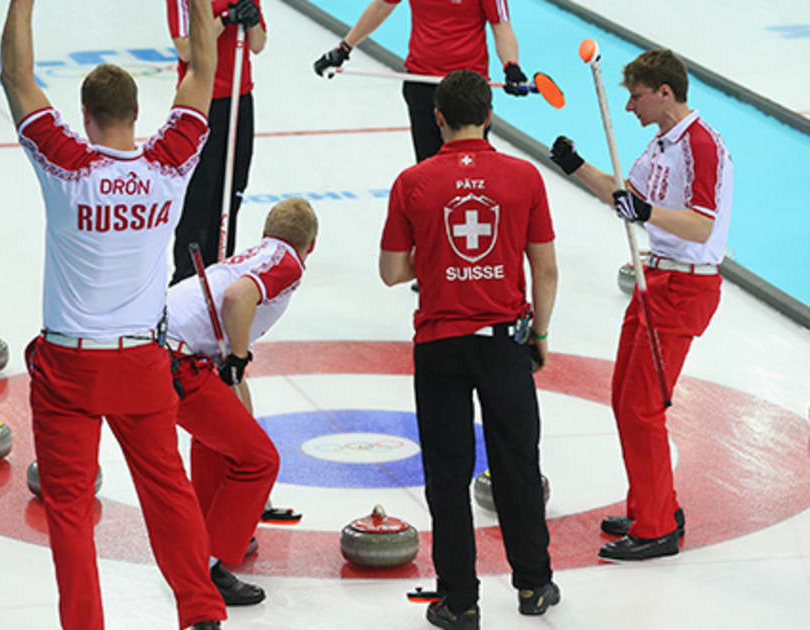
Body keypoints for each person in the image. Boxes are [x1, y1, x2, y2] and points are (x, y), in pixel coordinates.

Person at [0, 1, 227, 628]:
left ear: (85, 116)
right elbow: (203, 71)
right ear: (136, 115)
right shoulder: (169, 166)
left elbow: (16, 79)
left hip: (70, 364)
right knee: (168, 491)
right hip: (141, 363)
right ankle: (201, 611)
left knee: (69, 510)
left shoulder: (66, 167)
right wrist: (203, 9)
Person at [379, 70, 559, 629]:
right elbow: (545, 267)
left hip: (440, 346)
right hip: (504, 342)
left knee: (448, 475)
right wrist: (542, 335)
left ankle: (460, 601)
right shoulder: (523, 177)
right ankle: (533, 586)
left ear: (437, 118)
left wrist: (433, 259)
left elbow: (391, 272)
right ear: (489, 115)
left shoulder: (413, 181)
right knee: (517, 466)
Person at [549, 48, 732, 562]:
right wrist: (576, 165)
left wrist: (648, 210)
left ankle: (656, 528)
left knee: (642, 406)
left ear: (665, 93)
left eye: (636, 96)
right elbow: (625, 196)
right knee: (624, 398)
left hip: (684, 286)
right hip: (657, 277)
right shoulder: (660, 148)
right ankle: (653, 504)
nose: (629, 107)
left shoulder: (700, 145)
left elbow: (701, 223)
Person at [166, 197, 317, 606]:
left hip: (162, 346)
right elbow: (237, 298)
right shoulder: (287, 264)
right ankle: (209, 565)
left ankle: (206, 538)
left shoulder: (250, 256)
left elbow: (234, 377)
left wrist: (234, 363)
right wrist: (236, 355)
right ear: (311, 245)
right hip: (177, 361)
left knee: (220, 441)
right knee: (260, 460)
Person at [313, 0, 530, 163]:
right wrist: (345, 48)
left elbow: (501, 26)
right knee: (429, 167)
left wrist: (512, 66)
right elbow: (381, 6)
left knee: (472, 167)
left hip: (469, 88)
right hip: (421, 83)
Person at [166, 0, 267, 284]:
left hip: (239, 97)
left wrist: (252, 20)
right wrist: (224, 20)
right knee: (199, 195)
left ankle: (220, 269)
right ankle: (186, 277)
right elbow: (185, 48)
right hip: (201, 99)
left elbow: (258, 44)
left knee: (232, 189)